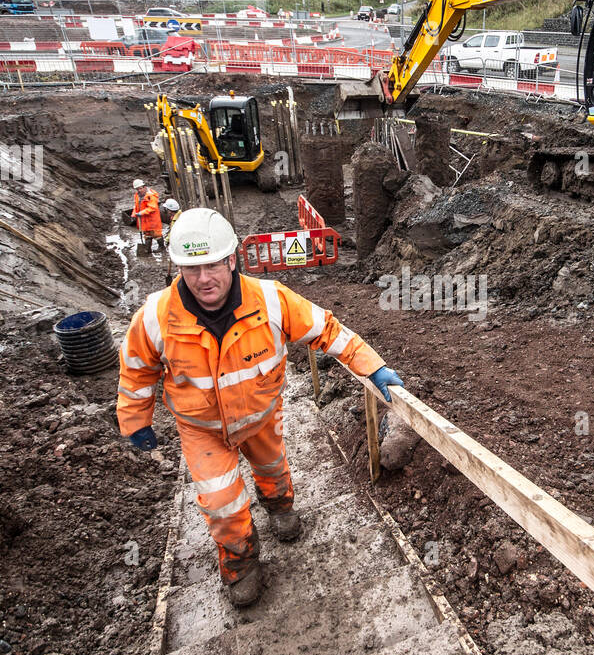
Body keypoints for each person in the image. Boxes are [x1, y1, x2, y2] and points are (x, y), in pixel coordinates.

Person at [117, 208, 403, 608]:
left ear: (232, 260)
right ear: (178, 267)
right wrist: (134, 421)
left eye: (213, 265)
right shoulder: (153, 319)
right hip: (202, 430)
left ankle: (280, 507)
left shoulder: (270, 300)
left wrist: (373, 367)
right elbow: (135, 373)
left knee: (272, 467)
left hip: (262, 415)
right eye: (191, 268)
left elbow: (327, 331)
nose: (203, 279)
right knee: (221, 502)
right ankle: (241, 564)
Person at [131, 179, 164, 254]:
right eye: (137, 189)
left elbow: (152, 208)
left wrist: (142, 212)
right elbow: (136, 206)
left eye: (140, 188)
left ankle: (162, 247)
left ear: (144, 187)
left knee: (156, 234)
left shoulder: (151, 196)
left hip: (152, 219)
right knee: (147, 234)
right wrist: (134, 214)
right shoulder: (137, 196)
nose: (139, 190)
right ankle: (147, 248)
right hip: (144, 220)